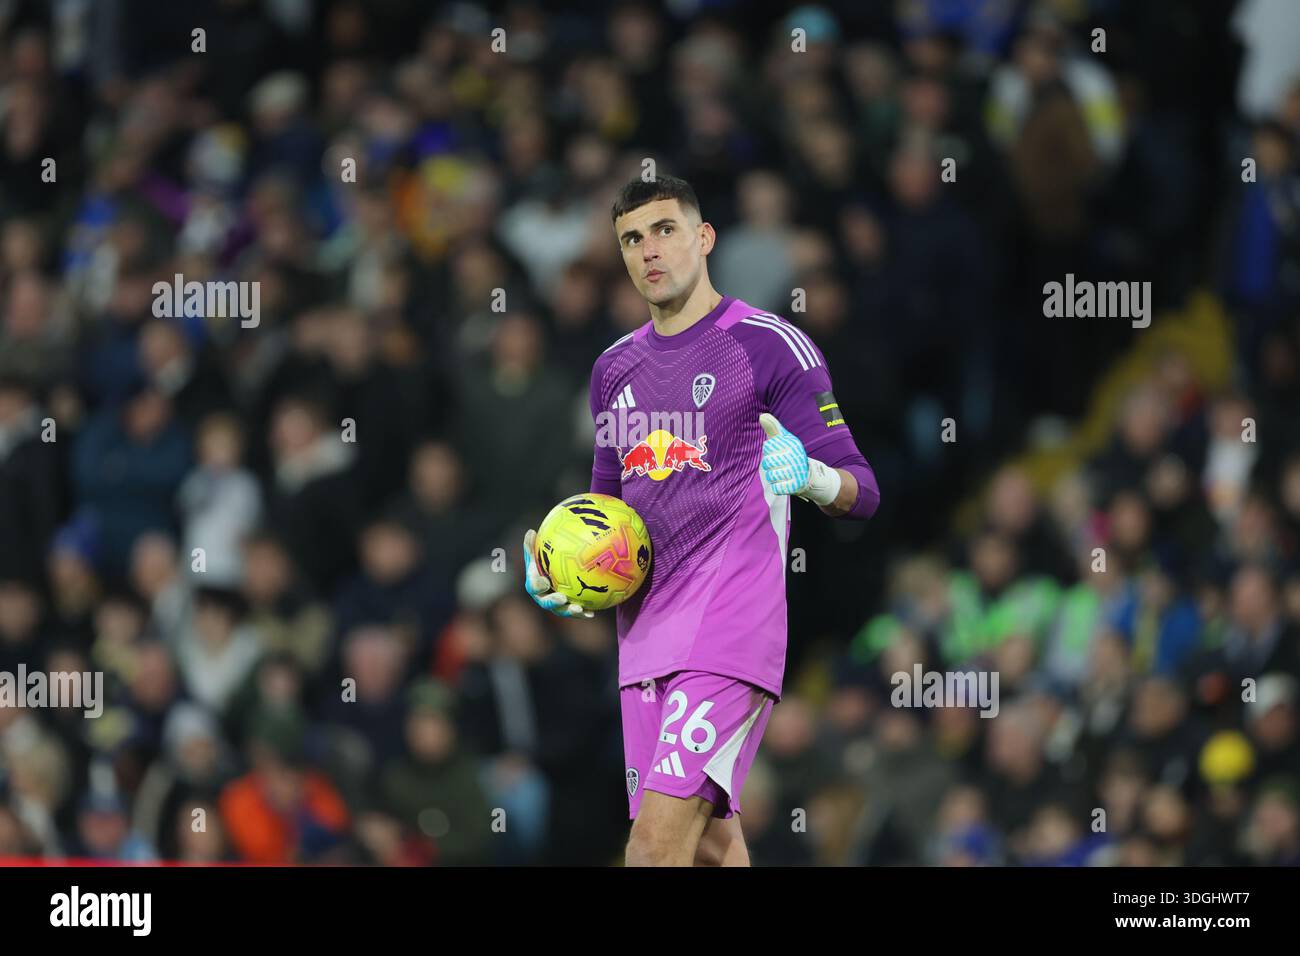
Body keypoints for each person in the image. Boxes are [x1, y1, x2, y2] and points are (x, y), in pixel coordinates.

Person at [520, 175, 881, 866]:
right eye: (631, 238)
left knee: (654, 848)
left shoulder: (769, 345)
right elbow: (606, 513)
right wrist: (565, 570)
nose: (649, 250)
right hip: (644, 643)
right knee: (713, 845)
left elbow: (862, 490)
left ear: (704, 237)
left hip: (728, 629)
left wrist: (810, 477)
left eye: (664, 230)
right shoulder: (612, 369)